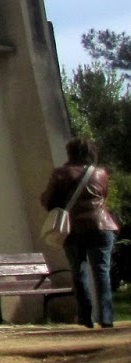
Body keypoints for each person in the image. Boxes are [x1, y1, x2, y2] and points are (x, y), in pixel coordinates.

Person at [40, 137, 120, 329]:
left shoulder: (61, 173)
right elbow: (104, 196)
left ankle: (85, 316)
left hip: (73, 228)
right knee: (102, 271)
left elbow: (48, 201)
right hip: (102, 226)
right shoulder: (100, 173)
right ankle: (107, 317)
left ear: (70, 152)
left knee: (79, 271)